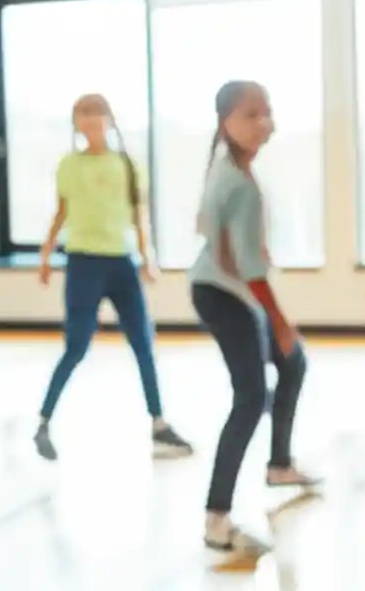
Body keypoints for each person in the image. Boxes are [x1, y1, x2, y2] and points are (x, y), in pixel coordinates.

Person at [189, 80, 319, 556]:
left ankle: (279, 465)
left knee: (293, 364)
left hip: (225, 291)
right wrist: (280, 322)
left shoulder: (226, 168)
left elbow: (210, 233)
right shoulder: (237, 182)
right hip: (223, 295)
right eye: (251, 114)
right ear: (227, 122)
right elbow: (247, 268)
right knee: (250, 397)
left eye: (267, 112)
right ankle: (216, 520)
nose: (264, 123)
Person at [33, 94, 192, 462]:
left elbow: (139, 214)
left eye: (96, 114)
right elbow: (61, 212)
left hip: (121, 263)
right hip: (83, 263)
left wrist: (147, 256)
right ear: (75, 123)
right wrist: (45, 254)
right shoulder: (68, 165)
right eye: (82, 115)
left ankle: (159, 423)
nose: (90, 122)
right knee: (76, 346)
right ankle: (44, 421)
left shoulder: (127, 164)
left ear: (109, 119)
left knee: (142, 343)